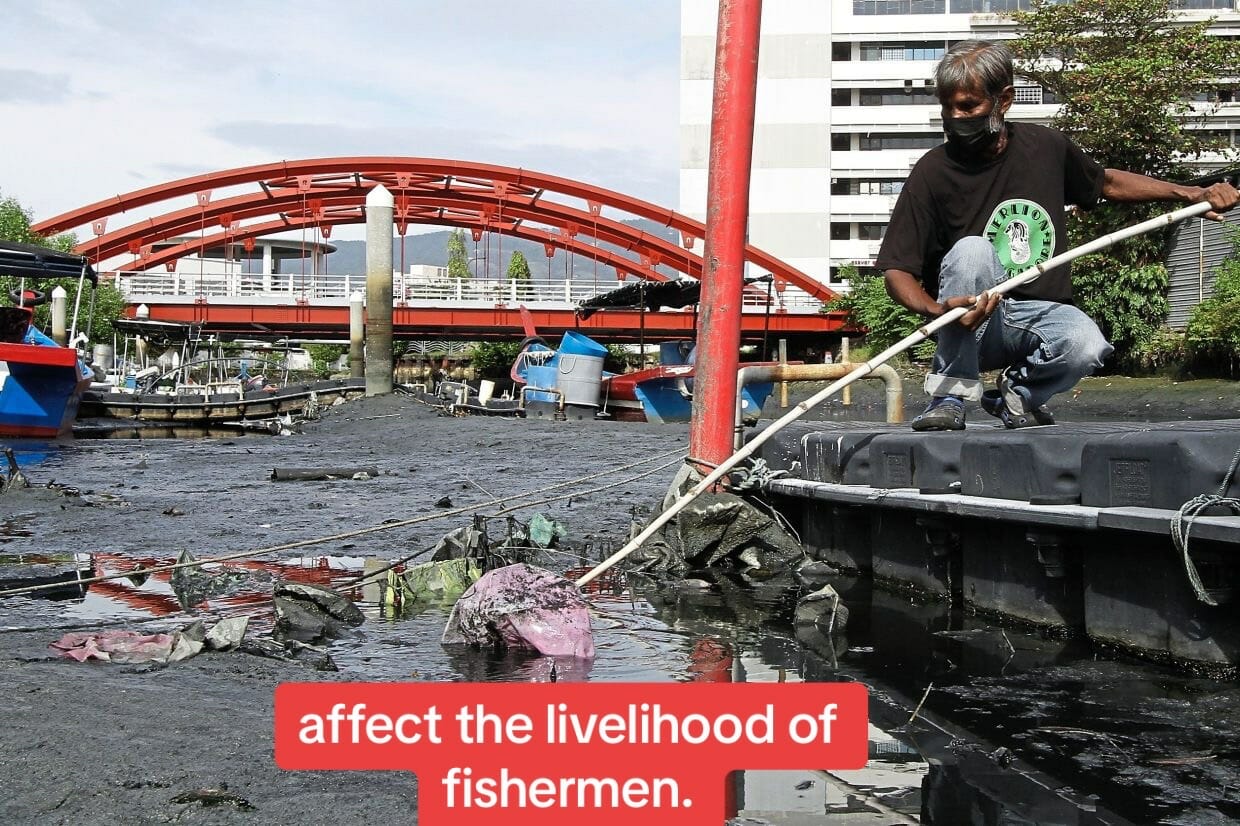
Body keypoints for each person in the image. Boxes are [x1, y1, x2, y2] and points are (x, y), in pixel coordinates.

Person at [876, 39, 1239, 431]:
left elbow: (1105, 183)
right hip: (971, 323)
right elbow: (897, 271)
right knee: (972, 251)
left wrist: (1191, 193)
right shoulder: (932, 172)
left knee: (1086, 343)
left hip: (1035, 317)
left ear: (1004, 100)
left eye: (968, 106)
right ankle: (949, 396)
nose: (955, 117)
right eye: (947, 107)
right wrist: (936, 312)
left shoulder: (1045, 148)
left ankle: (1016, 394)